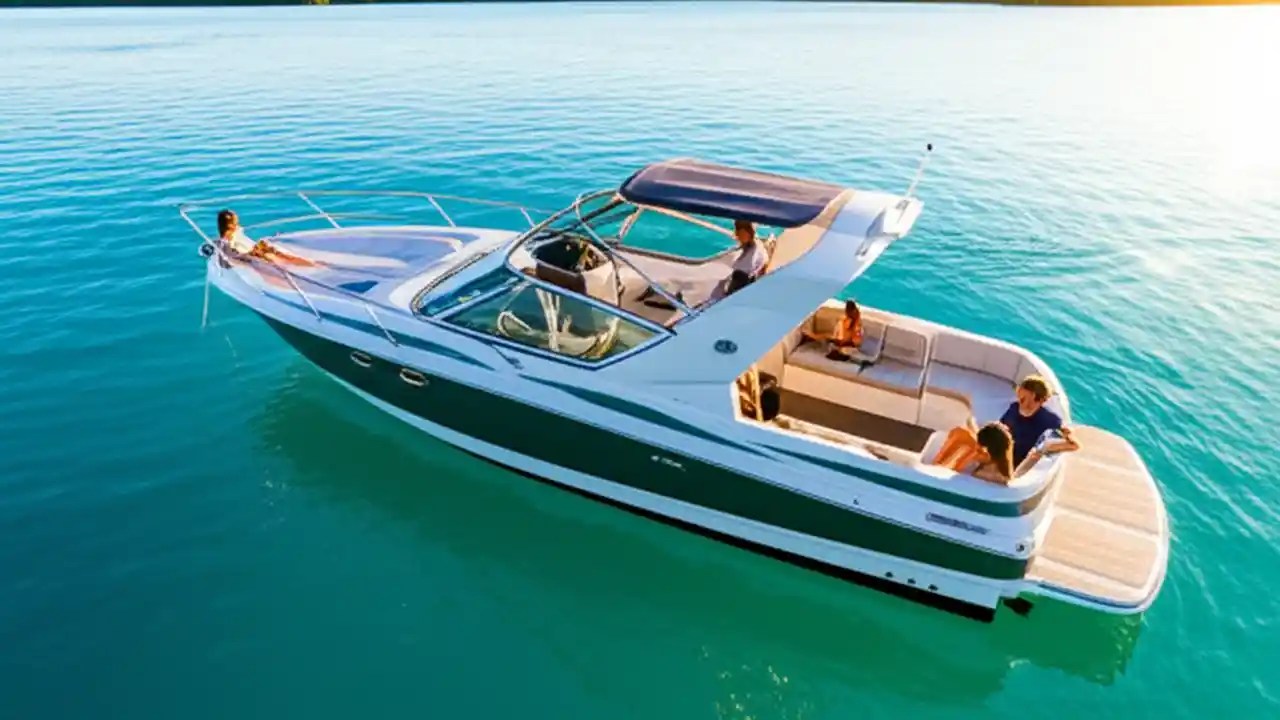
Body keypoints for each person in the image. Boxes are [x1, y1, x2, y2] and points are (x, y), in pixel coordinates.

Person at [999, 374, 1079, 467]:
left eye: (1023, 398)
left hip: (1020, 464)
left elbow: (1073, 445)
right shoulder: (1014, 407)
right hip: (1001, 455)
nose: (1019, 398)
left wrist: (1044, 450)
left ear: (1037, 398)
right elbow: (1000, 427)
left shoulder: (1050, 420)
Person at [217, 209, 317, 267]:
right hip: (252, 256)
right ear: (230, 226)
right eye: (236, 222)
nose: (239, 225)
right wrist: (253, 253)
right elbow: (235, 257)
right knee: (274, 257)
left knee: (279, 254)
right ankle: (308, 265)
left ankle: (311, 264)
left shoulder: (236, 232)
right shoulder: (227, 244)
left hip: (253, 251)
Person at [931, 421, 1017, 485]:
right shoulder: (1000, 472)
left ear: (988, 453)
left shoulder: (986, 476)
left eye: (979, 450)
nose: (975, 453)